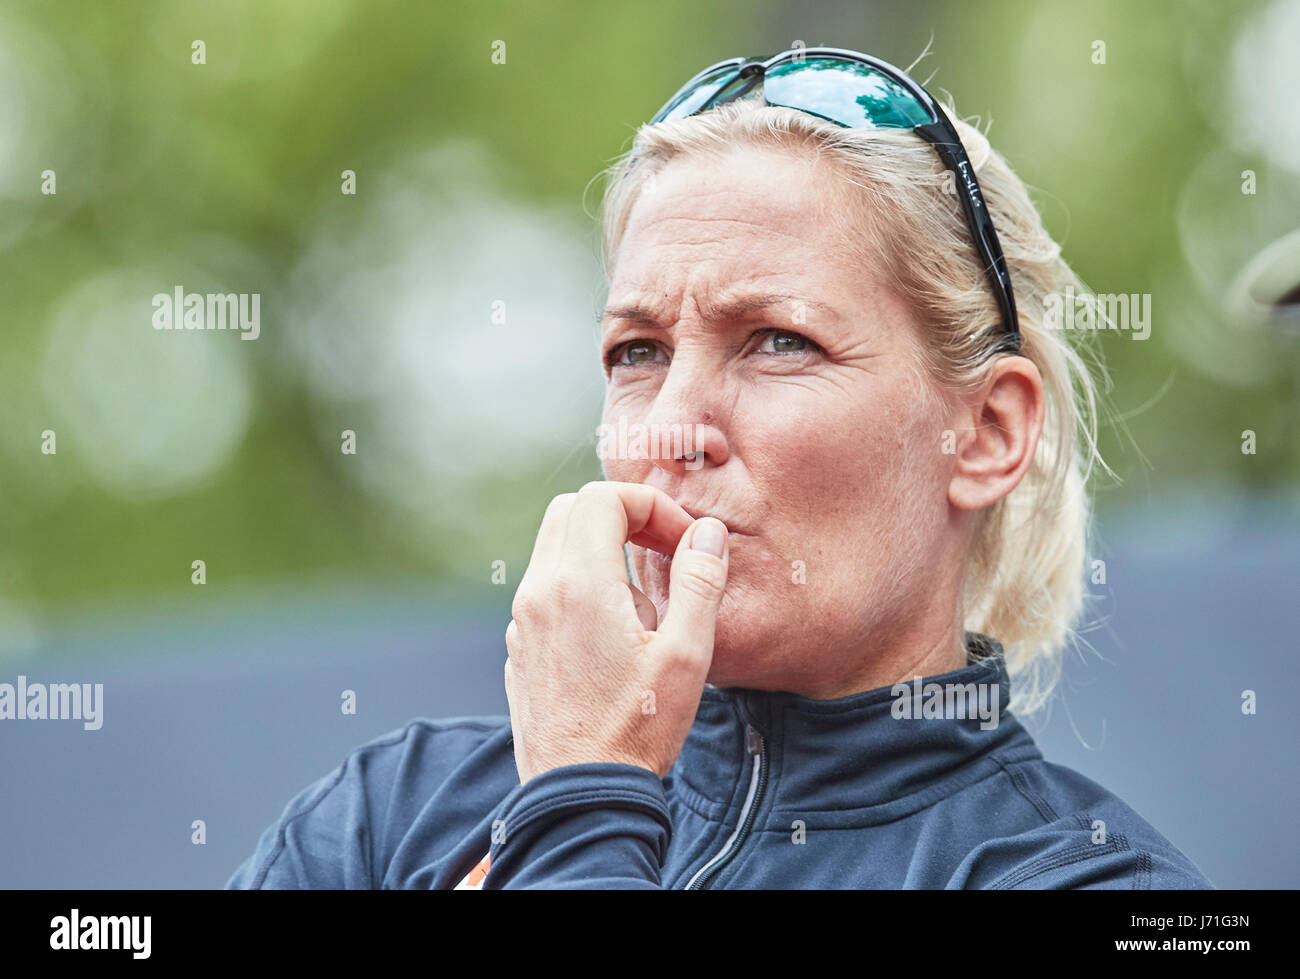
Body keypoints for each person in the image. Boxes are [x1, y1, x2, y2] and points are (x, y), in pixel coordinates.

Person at [226, 47, 1212, 889]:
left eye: (777, 341)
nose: (667, 430)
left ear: (988, 432)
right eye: (637, 352)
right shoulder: (391, 815)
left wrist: (580, 810)